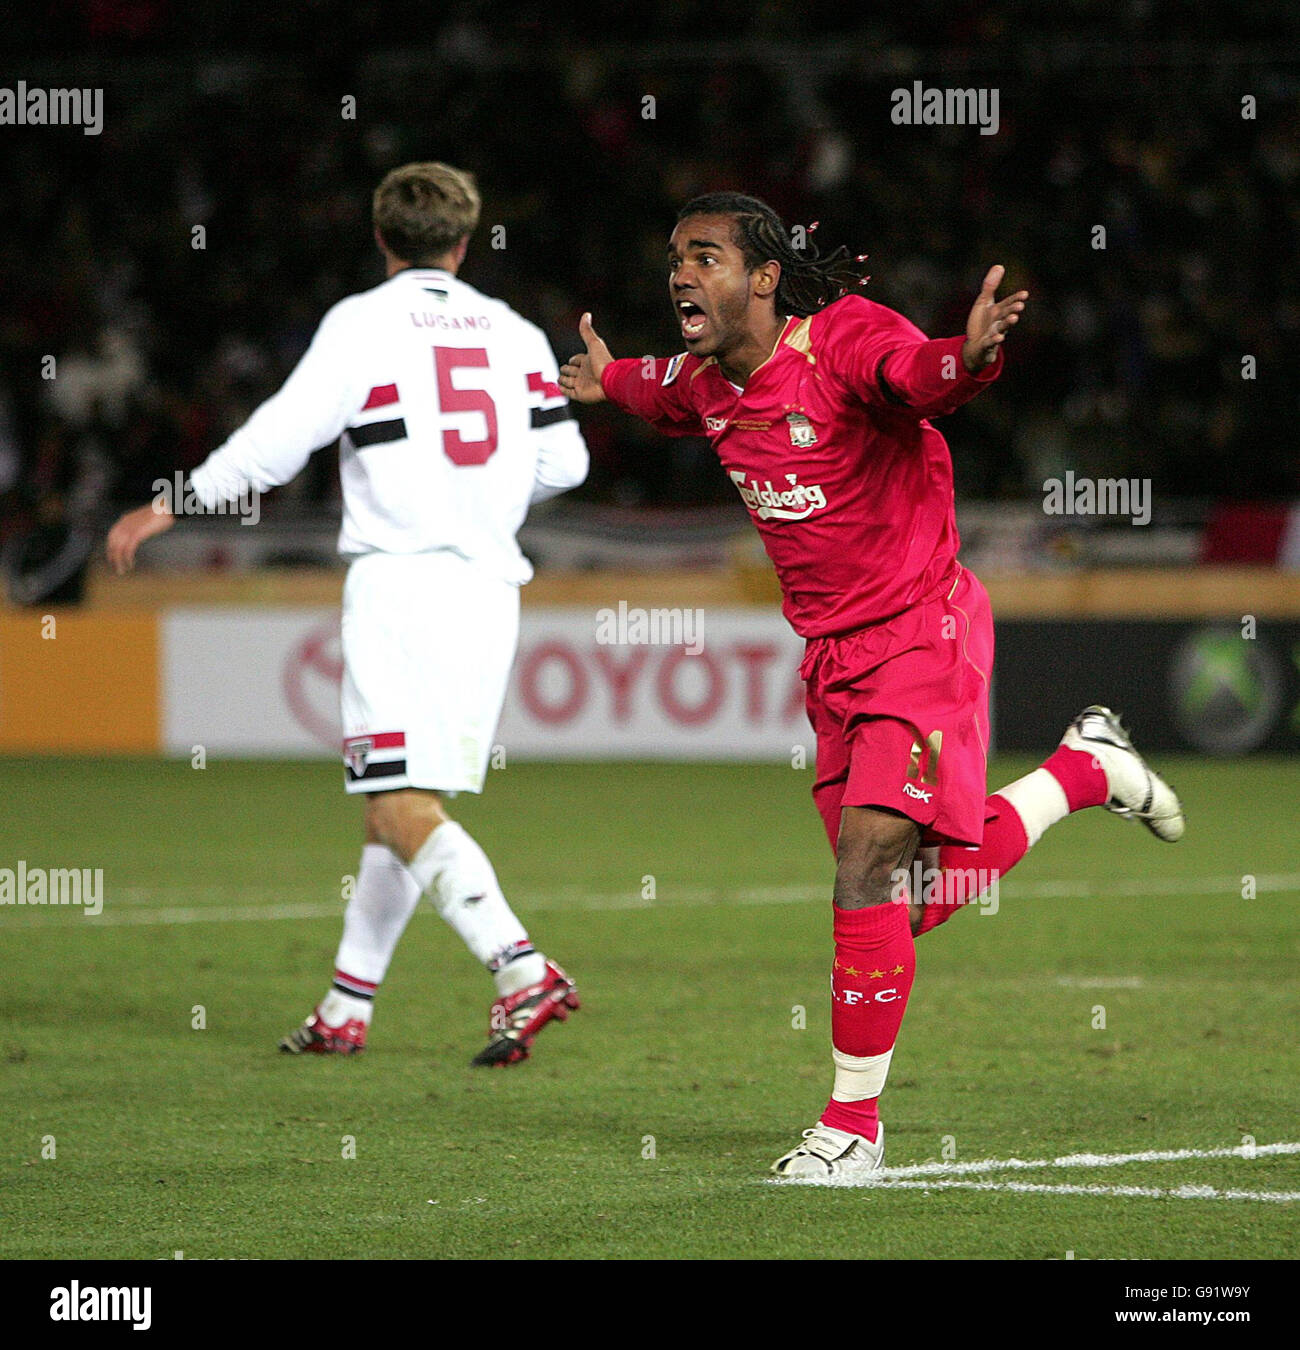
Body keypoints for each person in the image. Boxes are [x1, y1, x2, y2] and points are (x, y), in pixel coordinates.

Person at [558, 192, 1183, 1178]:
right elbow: (653, 388)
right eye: (676, 256)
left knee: (863, 866)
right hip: (834, 663)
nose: (681, 271)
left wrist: (968, 356)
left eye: (706, 256)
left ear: (764, 277)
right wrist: (605, 381)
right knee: (903, 898)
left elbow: (916, 374)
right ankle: (1081, 772)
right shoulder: (709, 383)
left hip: (920, 635)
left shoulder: (842, 341)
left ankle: (851, 1129)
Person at [108, 162, 588, 1067]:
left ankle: (521, 968)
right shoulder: (517, 332)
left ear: (381, 236)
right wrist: (475, 491)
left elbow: (278, 441)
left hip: (402, 585)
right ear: (465, 238)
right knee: (400, 804)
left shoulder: (362, 324)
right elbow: (567, 467)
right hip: (489, 589)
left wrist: (173, 502)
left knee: (396, 799)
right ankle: (345, 1007)